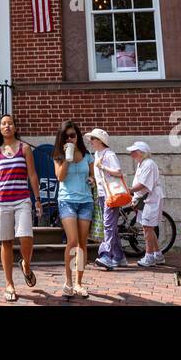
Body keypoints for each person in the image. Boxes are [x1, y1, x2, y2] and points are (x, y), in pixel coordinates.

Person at [0, 114, 41, 302]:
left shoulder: (25, 148)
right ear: (0, 129)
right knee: (6, 242)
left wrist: (38, 200)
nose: (7, 126)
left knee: (26, 236)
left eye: (10, 123)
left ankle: (26, 263)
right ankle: (9, 283)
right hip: (2, 201)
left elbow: (32, 175)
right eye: (3, 124)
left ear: (15, 128)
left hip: (22, 199)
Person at [52, 120, 93, 298]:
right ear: (62, 138)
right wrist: (67, 158)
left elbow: (92, 176)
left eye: (73, 135)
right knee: (73, 241)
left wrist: (92, 180)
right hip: (67, 201)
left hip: (85, 201)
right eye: (67, 136)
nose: (71, 138)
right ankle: (68, 282)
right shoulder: (58, 155)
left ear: (78, 136)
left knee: (82, 244)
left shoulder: (87, 154)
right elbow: (60, 178)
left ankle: (78, 283)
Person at [86, 128, 127, 270]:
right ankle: (119, 256)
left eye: (93, 139)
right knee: (111, 226)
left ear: (99, 141)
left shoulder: (109, 155)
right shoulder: (97, 154)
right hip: (102, 194)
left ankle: (106, 255)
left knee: (108, 225)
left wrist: (102, 167)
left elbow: (118, 172)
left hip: (111, 195)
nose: (90, 142)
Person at [127, 141, 165, 267]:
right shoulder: (142, 164)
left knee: (147, 227)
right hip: (146, 198)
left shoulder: (148, 164)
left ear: (141, 153)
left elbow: (143, 184)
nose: (131, 154)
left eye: (134, 151)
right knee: (148, 227)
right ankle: (158, 255)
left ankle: (149, 257)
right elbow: (140, 184)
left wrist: (130, 191)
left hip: (151, 198)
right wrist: (135, 197)